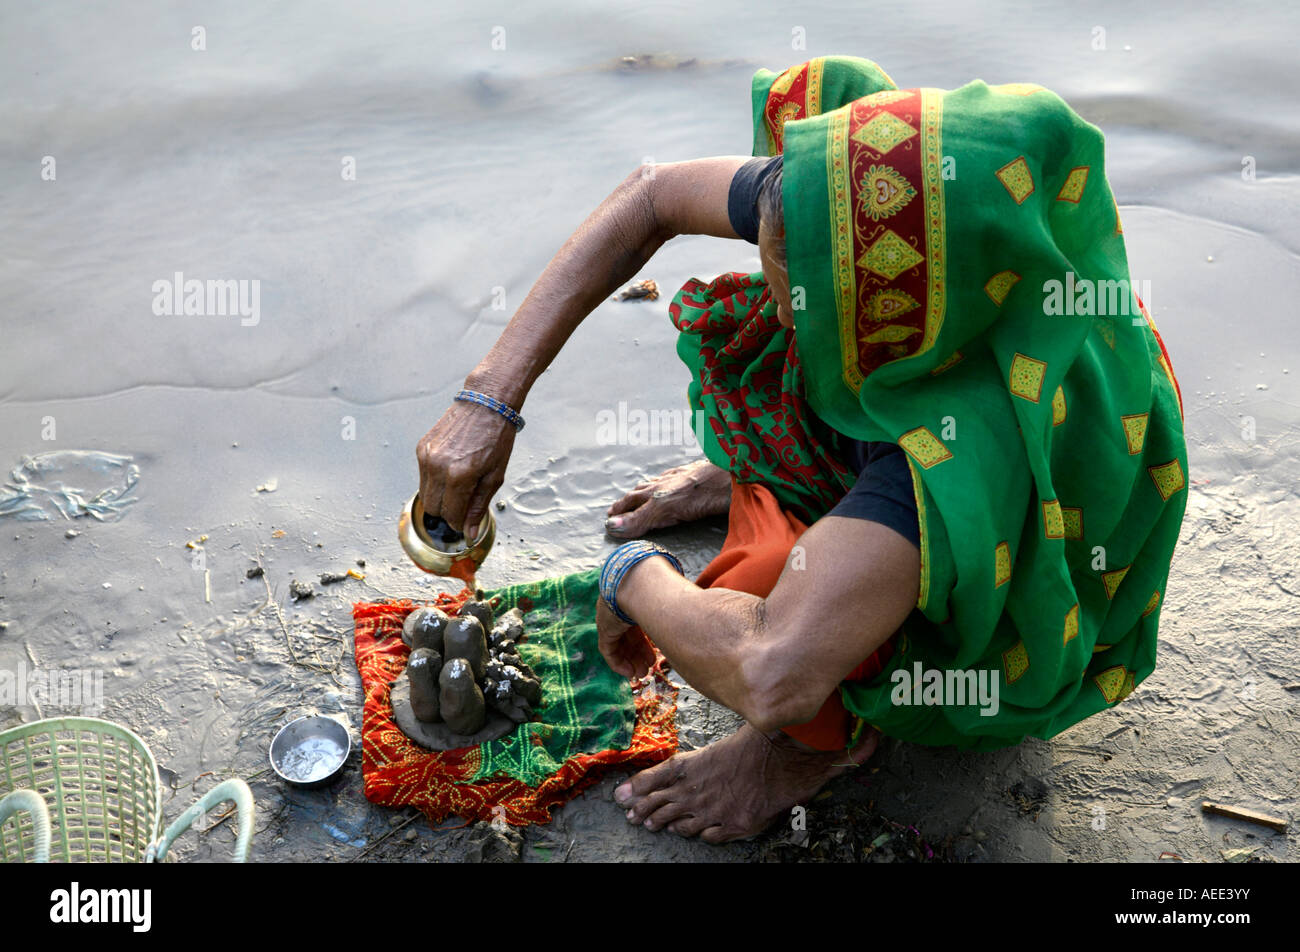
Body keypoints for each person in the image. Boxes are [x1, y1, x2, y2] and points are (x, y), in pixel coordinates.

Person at [416, 56, 1189, 843]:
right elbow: (651, 193)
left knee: (760, 587)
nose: (778, 288)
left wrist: (627, 579)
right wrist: (490, 399)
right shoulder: (908, 234)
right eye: (774, 242)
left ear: (898, 302)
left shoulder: (955, 451)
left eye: (802, 273)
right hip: (932, 404)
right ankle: (772, 482)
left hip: (1007, 549)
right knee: (778, 303)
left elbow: (770, 671)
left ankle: (813, 755)